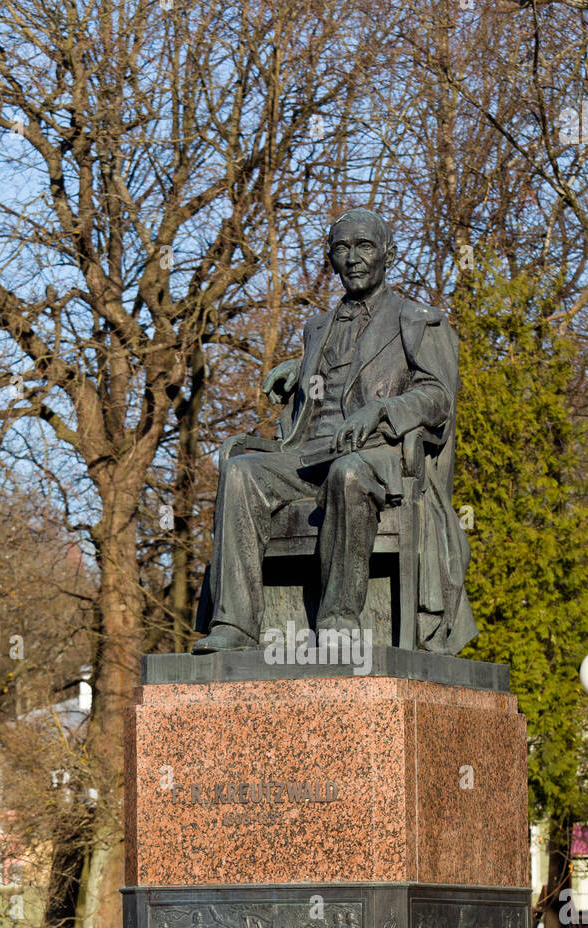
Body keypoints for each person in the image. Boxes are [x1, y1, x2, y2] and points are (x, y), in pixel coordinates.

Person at [193, 207, 476, 655]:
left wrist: (382, 411)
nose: (353, 258)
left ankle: (338, 620)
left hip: (379, 455)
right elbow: (333, 372)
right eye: (341, 248)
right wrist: (299, 369)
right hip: (309, 453)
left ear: (387, 253)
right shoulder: (318, 328)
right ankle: (235, 625)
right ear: (331, 258)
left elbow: (437, 395)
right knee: (241, 471)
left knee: (349, 472)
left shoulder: (419, 320)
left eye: (364, 246)